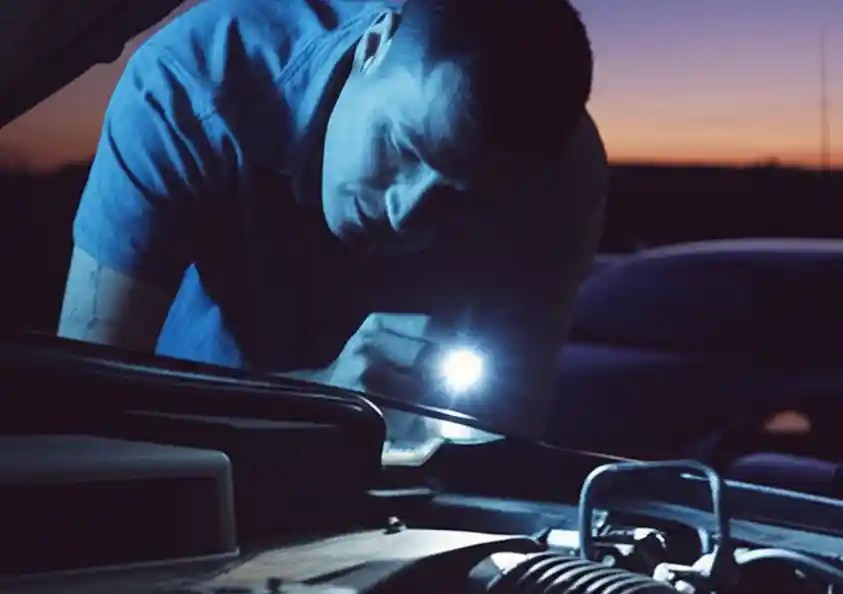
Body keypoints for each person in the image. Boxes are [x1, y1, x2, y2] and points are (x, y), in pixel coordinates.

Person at [57, 0, 607, 441]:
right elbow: (85, 399)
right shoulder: (192, 80)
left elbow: (509, 429)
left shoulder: (559, 175)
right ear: (373, 46)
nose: (405, 212)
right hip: (185, 472)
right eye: (400, 145)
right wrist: (318, 404)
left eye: (460, 197)